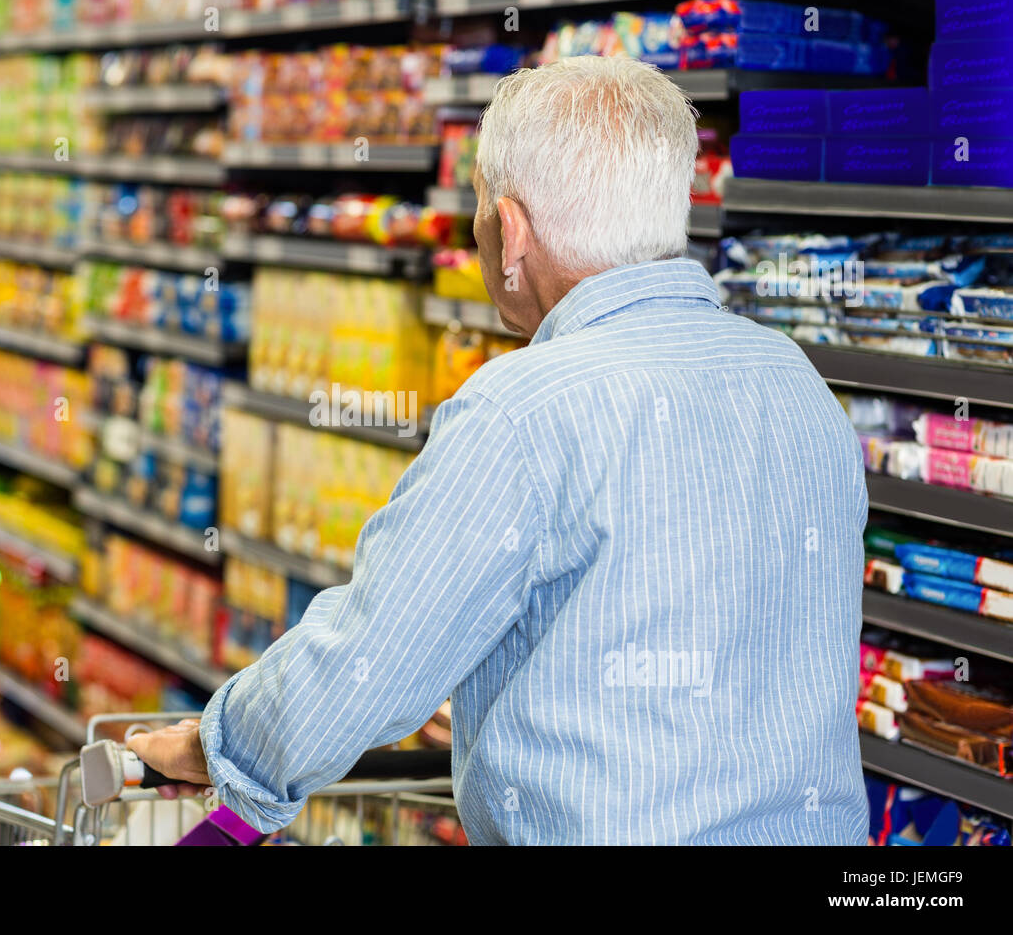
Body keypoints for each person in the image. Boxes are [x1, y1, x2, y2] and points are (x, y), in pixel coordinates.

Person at [129, 54, 870, 844]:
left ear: (510, 232)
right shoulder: (793, 379)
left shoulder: (523, 406)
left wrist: (221, 750)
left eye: (480, 213)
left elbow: (368, 663)